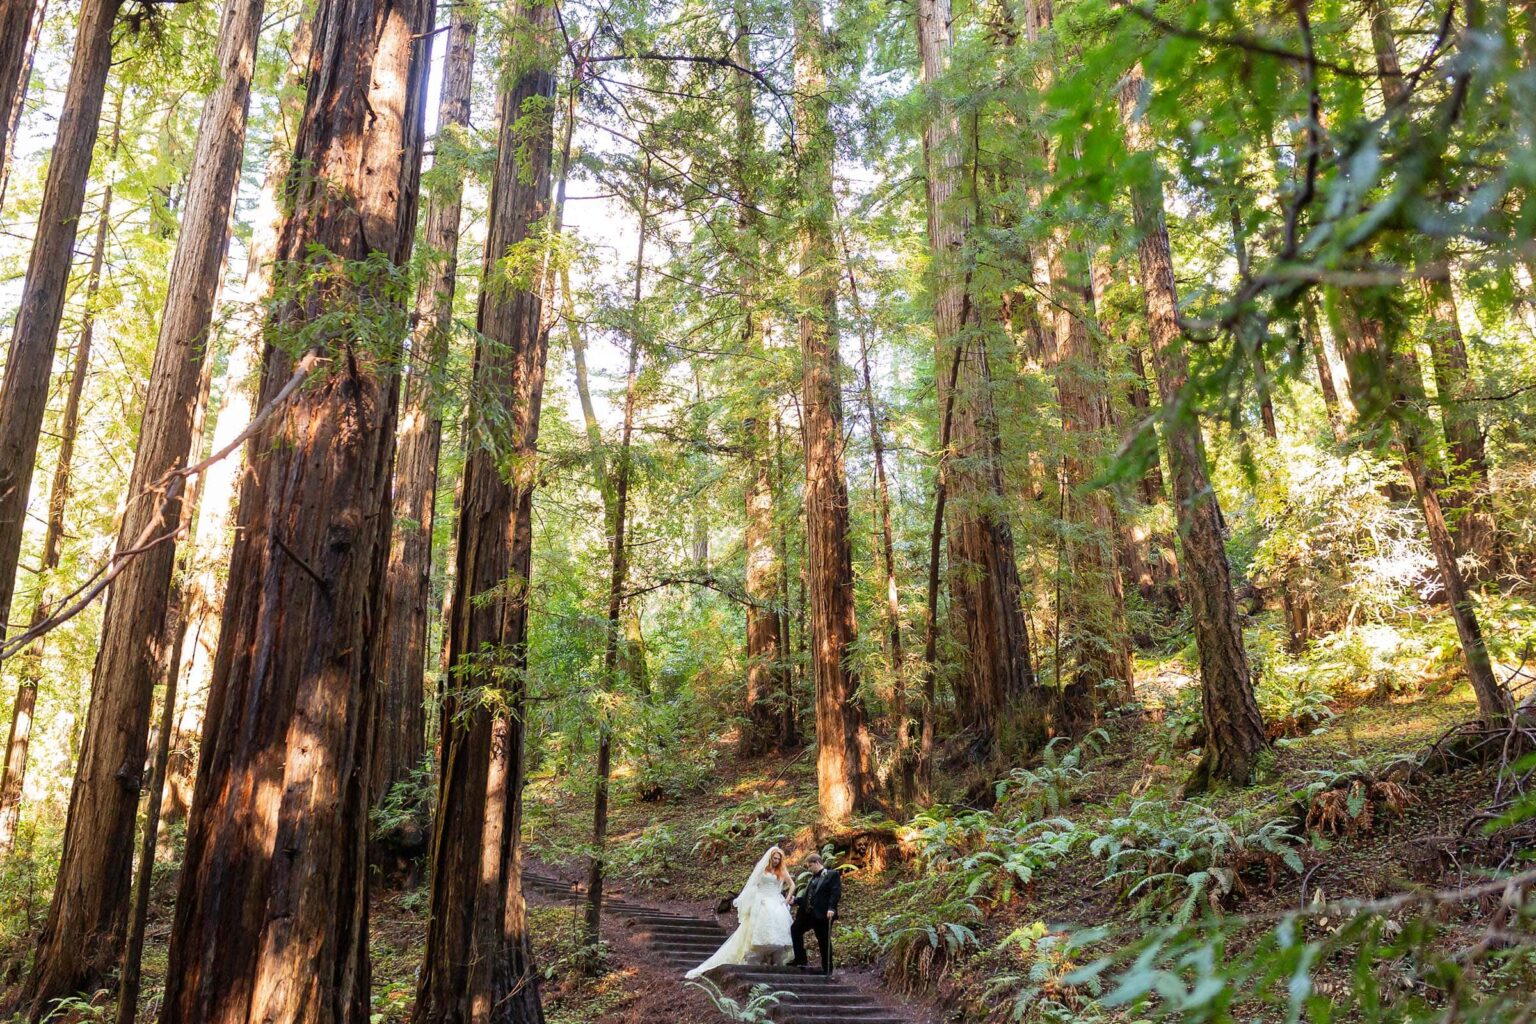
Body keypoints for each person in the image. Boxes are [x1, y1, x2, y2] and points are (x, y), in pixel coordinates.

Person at [683, 845, 795, 978]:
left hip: (776, 901)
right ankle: (758, 959)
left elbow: (792, 884)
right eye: (775, 858)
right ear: (770, 858)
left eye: (778, 859)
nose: (776, 861)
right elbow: (753, 885)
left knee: (777, 931)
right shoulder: (762, 870)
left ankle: (771, 959)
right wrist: (754, 899)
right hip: (762, 901)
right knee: (757, 930)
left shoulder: (780, 871)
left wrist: (787, 899)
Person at [789, 852, 841, 975]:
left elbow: (835, 892)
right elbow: (809, 897)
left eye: (810, 866)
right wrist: (796, 900)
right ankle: (800, 960)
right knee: (795, 930)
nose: (809, 869)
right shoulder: (812, 878)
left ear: (817, 863)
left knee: (823, 940)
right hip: (807, 914)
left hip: (823, 914)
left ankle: (827, 968)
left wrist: (831, 908)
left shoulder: (832, 875)